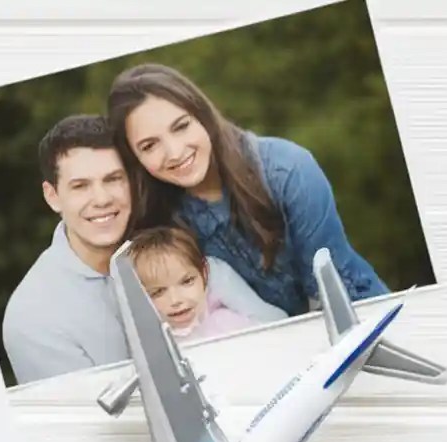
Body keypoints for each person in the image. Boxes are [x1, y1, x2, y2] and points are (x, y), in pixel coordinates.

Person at [2, 114, 285, 385]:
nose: (101, 199)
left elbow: (277, 330)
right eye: (80, 186)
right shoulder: (34, 317)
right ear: (53, 196)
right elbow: (86, 428)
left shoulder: (171, 242)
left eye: (113, 179)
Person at [106, 63, 389, 317]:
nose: (175, 152)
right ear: (135, 158)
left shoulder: (288, 170)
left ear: (202, 115)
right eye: (149, 146)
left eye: (181, 127)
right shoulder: (158, 221)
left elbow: (330, 287)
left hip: (355, 313)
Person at [125, 225, 255, 343]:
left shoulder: (229, 326)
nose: (176, 300)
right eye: (157, 292)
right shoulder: (145, 343)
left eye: (187, 281)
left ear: (204, 273)